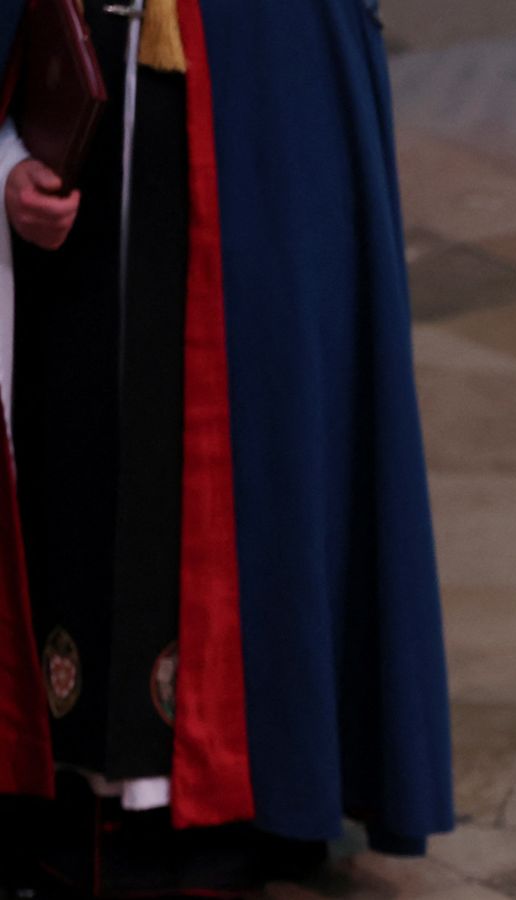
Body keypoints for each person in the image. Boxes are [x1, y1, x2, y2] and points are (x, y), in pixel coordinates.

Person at [0, 0, 453, 894]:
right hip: (74, 182)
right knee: (76, 470)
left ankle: (251, 791)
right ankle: (65, 784)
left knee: (273, 447)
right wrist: (7, 158)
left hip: (267, 113)